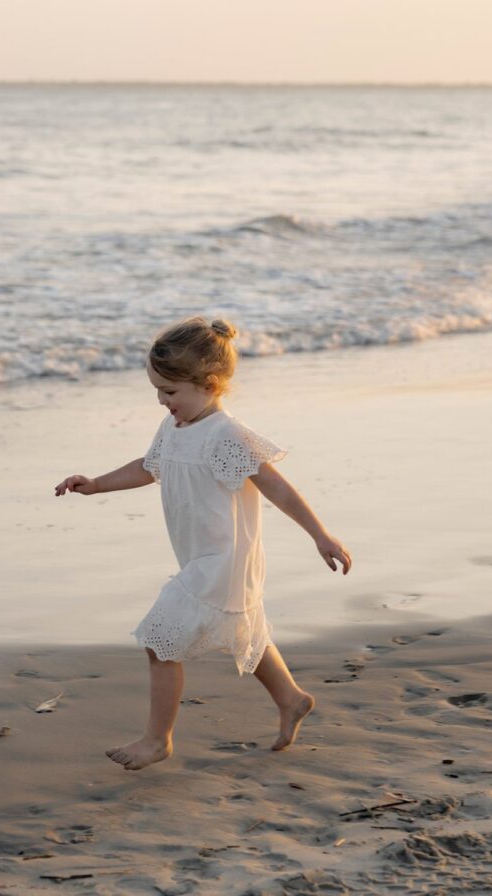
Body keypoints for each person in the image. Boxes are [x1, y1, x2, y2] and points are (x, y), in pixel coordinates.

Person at [54, 316, 352, 770]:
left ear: (209, 384)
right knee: (244, 633)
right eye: (157, 391)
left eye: (170, 392)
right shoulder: (173, 428)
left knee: (160, 641)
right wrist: (96, 484)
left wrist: (320, 534)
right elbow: (150, 466)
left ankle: (158, 740)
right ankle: (291, 699)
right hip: (201, 556)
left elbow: (277, 487)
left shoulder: (226, 435)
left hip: (223, 561)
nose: (162, 400)